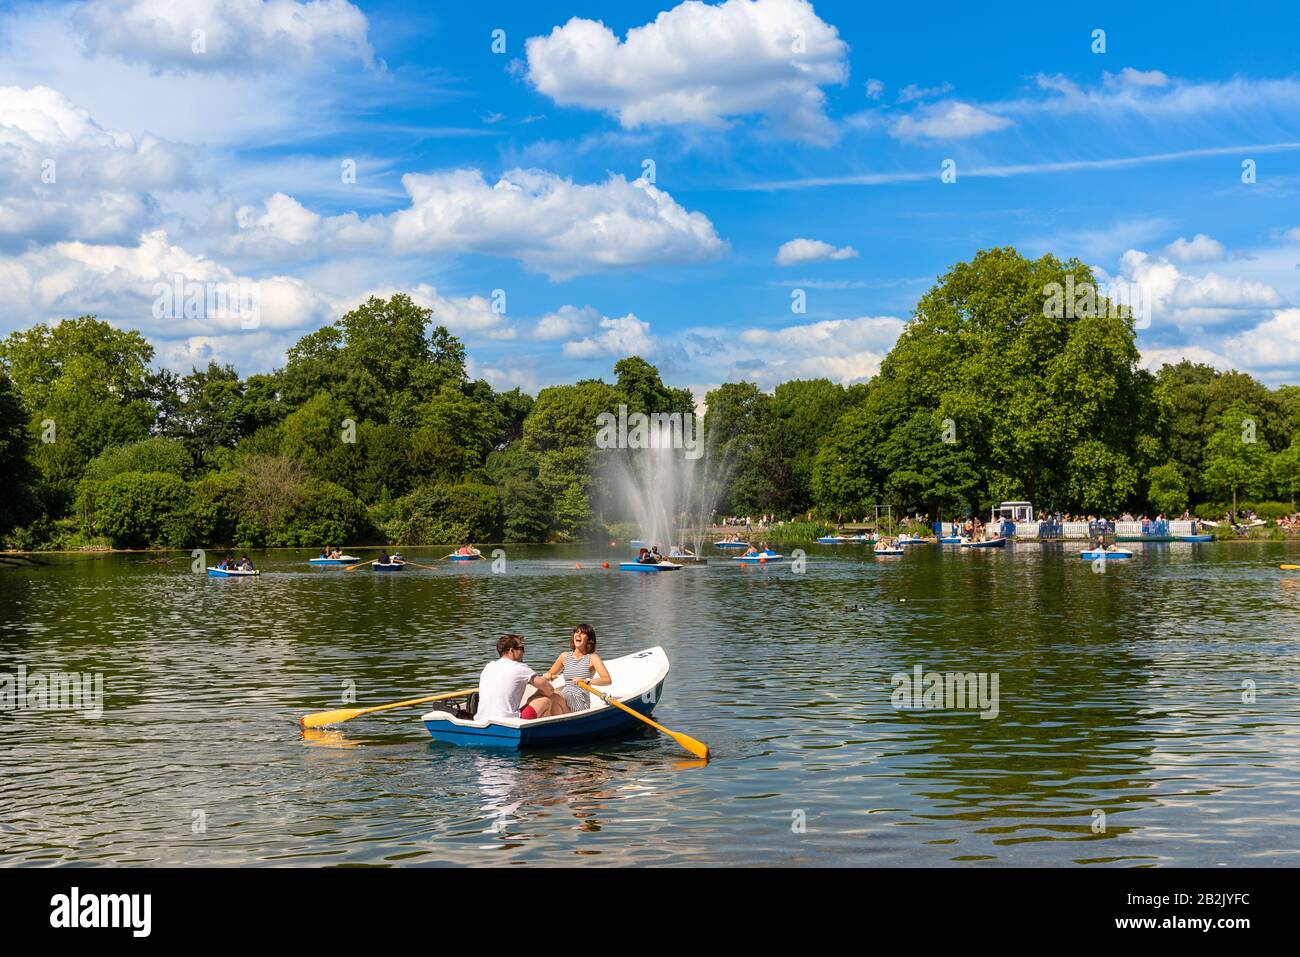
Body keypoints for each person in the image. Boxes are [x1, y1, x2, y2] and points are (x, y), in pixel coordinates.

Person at [474, 634, 567, 722]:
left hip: (481, 720)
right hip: (508, 722)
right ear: (512, 651)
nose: (524, 652)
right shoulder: (520, 668)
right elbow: (549, 689)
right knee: (545, 701)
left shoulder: (489, 666)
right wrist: (535, 696)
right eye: (521, 648)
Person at [544, 624, 611, 714]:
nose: (578, 635)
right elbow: (549, 674)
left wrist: (586, 681)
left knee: (554, 696)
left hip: (580, 701)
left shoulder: (592, 658)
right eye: (576, 632)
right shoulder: (564, 656)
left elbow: (607, 680)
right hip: (565, 696)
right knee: (548, 698)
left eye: (583, 633)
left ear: (589, 640)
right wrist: (548, 676)